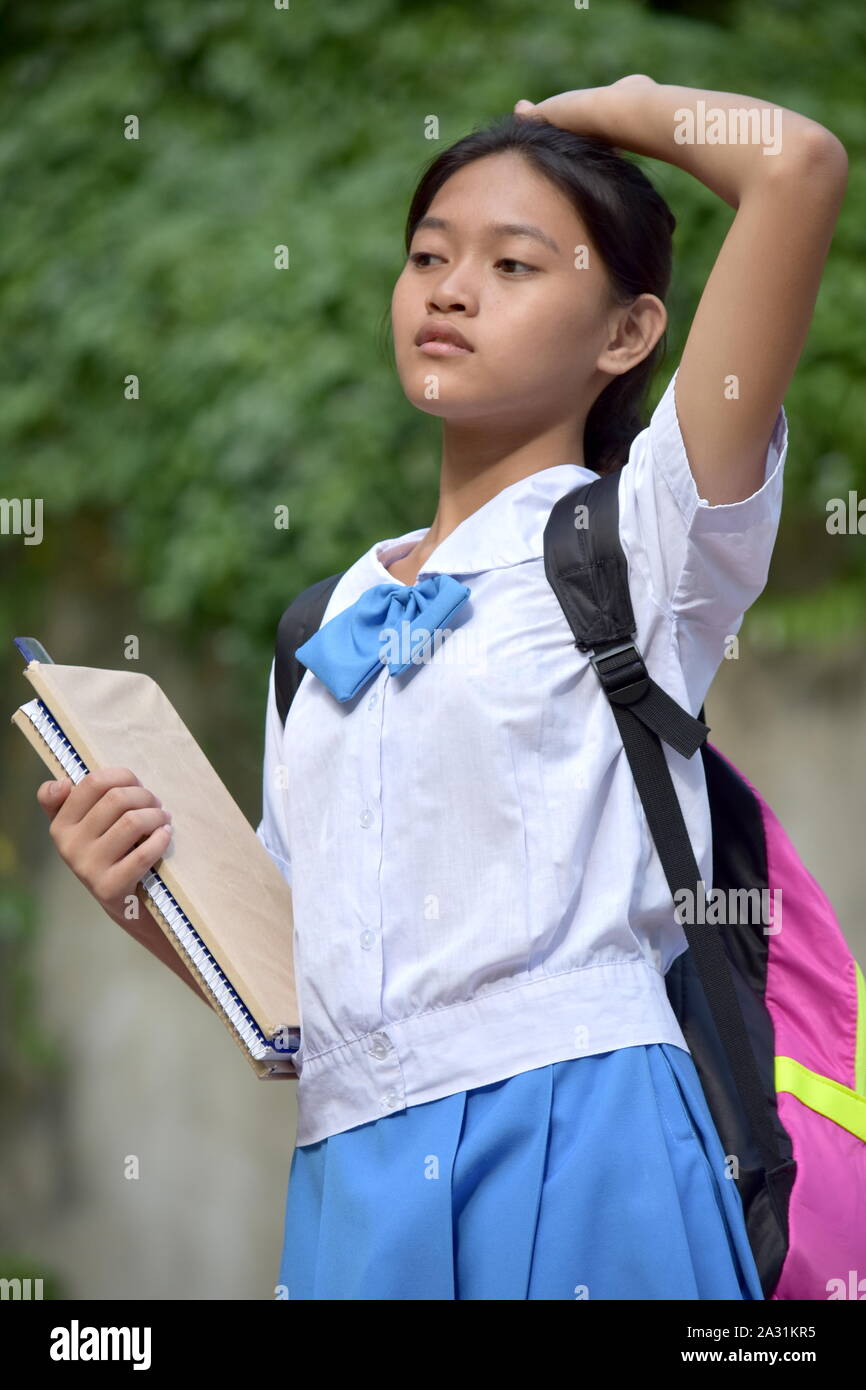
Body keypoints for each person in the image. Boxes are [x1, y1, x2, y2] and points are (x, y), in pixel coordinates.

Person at [40, 76, 848, 1302]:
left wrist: (613, 104)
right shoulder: (321, 626)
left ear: (625, 334)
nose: (450, 288)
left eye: (515, 265)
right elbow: (294, 1000)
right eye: (428, 255)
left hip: (588, 1132)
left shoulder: (643, 546)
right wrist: (140, 900)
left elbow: (792, 166)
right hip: (349, 1173)